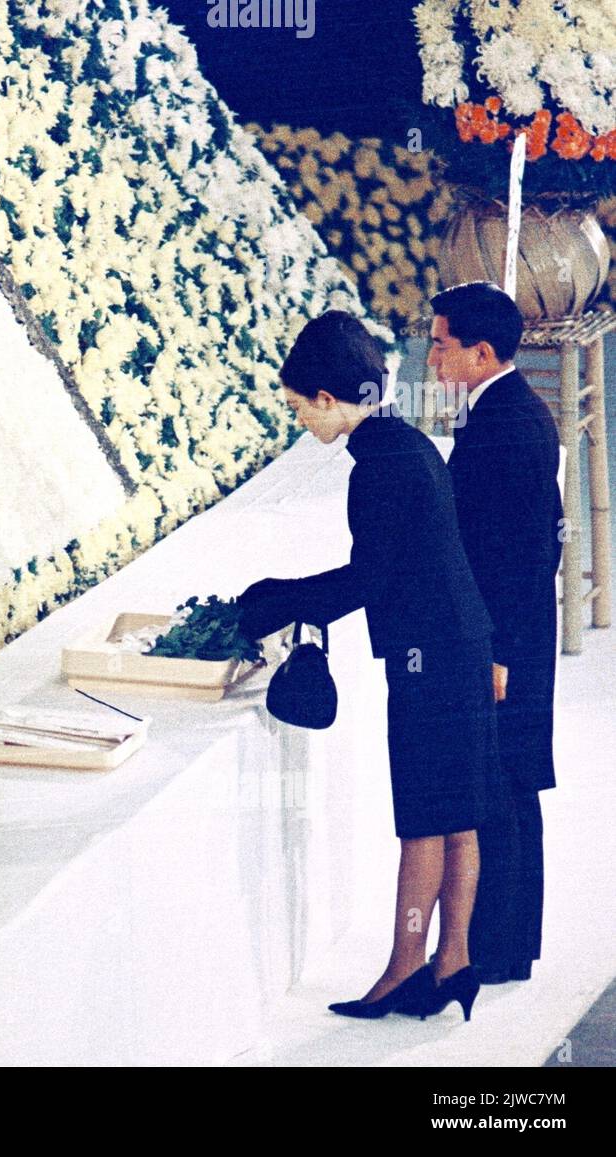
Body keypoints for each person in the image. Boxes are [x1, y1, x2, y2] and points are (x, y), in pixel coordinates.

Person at [236, 310, 504, 1022]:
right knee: (458, 819)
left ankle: (402, 970)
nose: (302, 424)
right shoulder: (407, 445)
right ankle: (454, 962)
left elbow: (369, 580)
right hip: (460, 647)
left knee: (422, 821)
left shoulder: (376, 468)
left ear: (327, 399)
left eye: (301, 409)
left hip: (429, 663)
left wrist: (278, 597)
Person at [428, 282, 563, 986]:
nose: (433, 354)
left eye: (443, 343)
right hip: (513, 635)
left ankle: (499, 947)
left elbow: (524, 551)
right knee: (507, 787)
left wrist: (501, 651)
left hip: (508, 646)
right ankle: (501, 943)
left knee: (504, 789)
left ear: (481, 352)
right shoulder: (505, 412)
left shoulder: (507, 423)